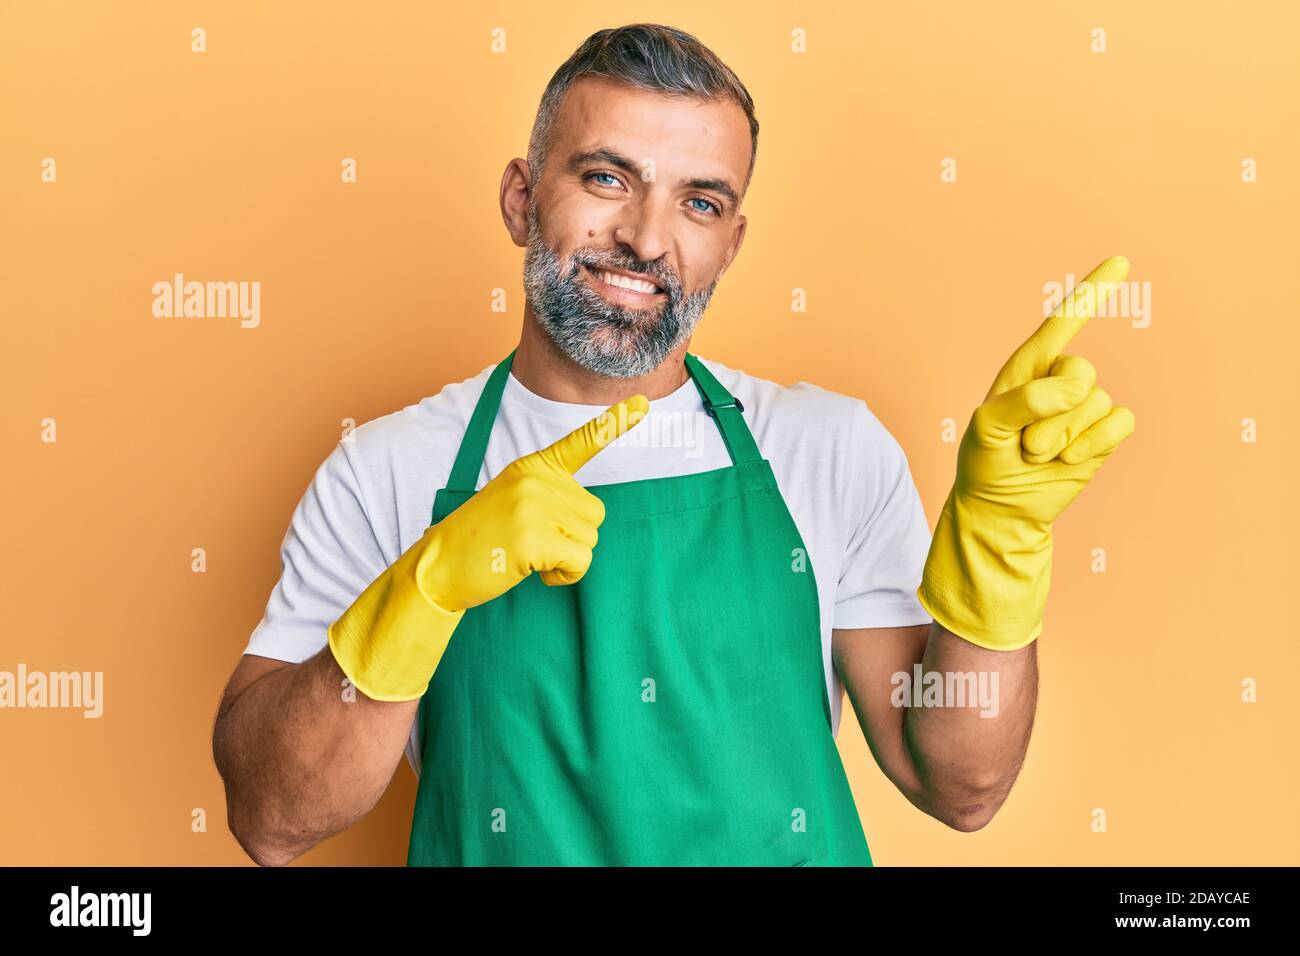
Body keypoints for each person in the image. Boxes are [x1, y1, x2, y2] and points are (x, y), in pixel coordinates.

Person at [212, 23, 1134, 867]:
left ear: (730, 244)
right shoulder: (388, 469)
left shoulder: (826, 448)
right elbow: (271, 816)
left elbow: (960, 786)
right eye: (606, 178)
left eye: (699, 202)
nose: (645, 238)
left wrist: (999, 546)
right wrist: (421, 591)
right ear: (521, 198)